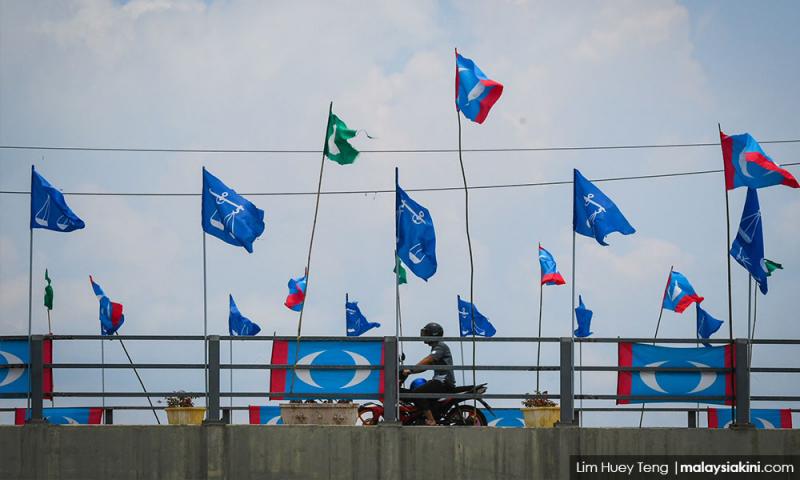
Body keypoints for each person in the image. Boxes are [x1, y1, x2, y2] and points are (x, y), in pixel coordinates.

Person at [402, 322, 456, 425]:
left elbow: (428, 360)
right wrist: (410, 372)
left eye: (427, 333)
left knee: (418, 394)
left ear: (433, 335)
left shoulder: (440, 346)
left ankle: (431, 420)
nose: (424, 336)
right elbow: (425, 367)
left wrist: (411, 370)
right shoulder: (436, 348)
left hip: (444, 382)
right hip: (439, 381)